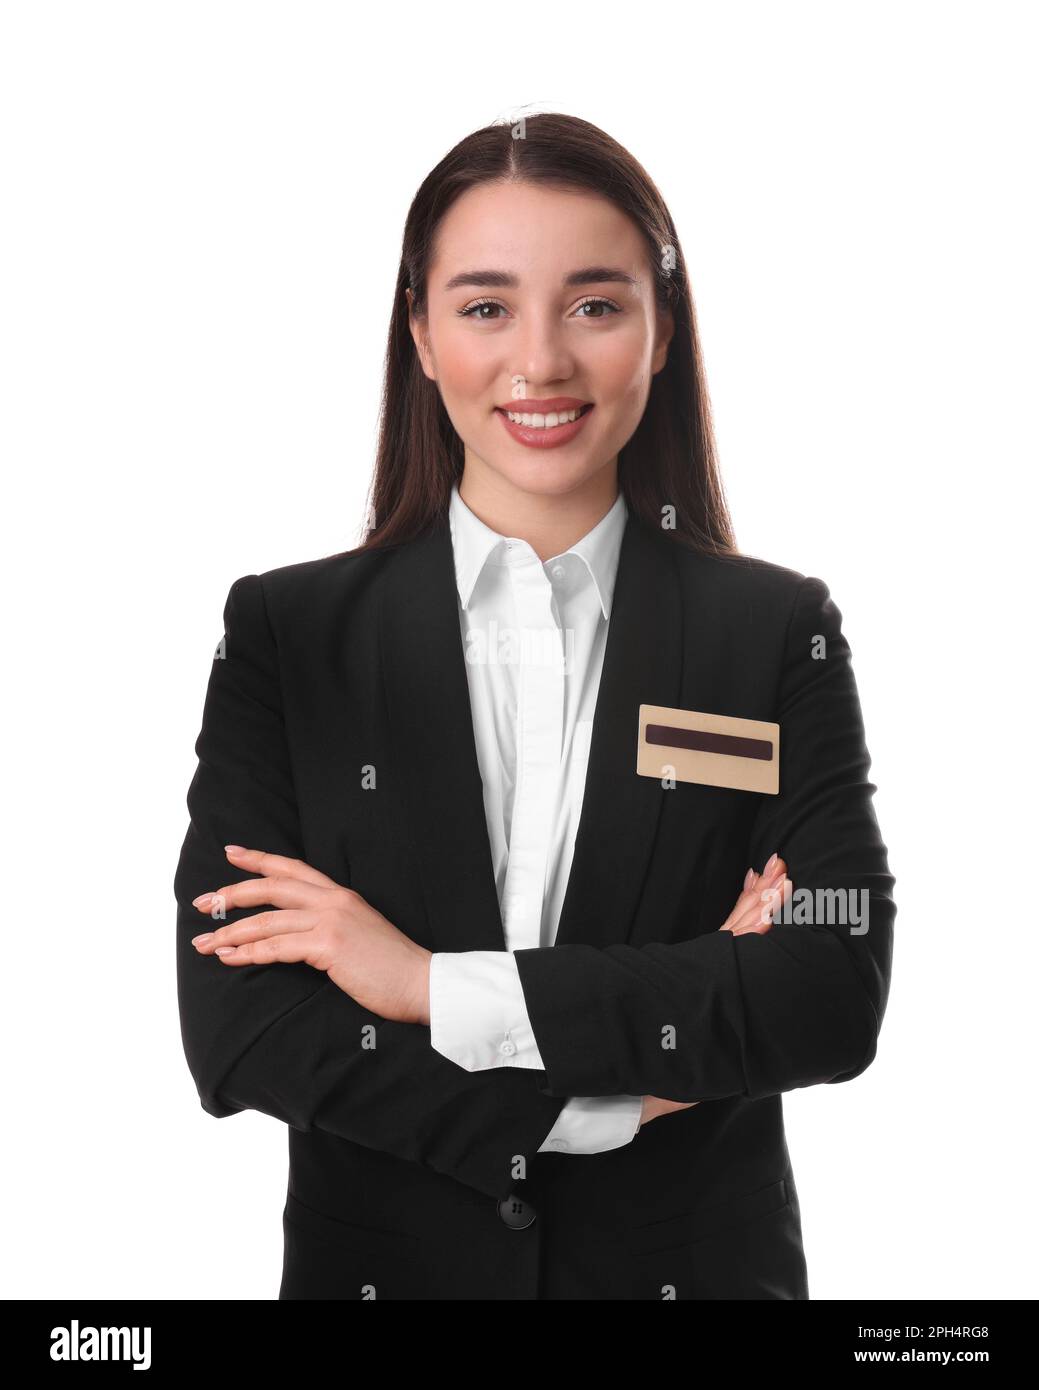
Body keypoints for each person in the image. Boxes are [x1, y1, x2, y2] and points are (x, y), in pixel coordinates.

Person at [174, 112, 895, 1300]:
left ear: (661, 333)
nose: (542, 362)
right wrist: (610, 1092)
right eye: (485, 306)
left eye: (595, 305)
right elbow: (240, 1029)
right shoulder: (289, 638)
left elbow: (829, 984)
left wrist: (420, 986)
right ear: (418, 333)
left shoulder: (773, 637)